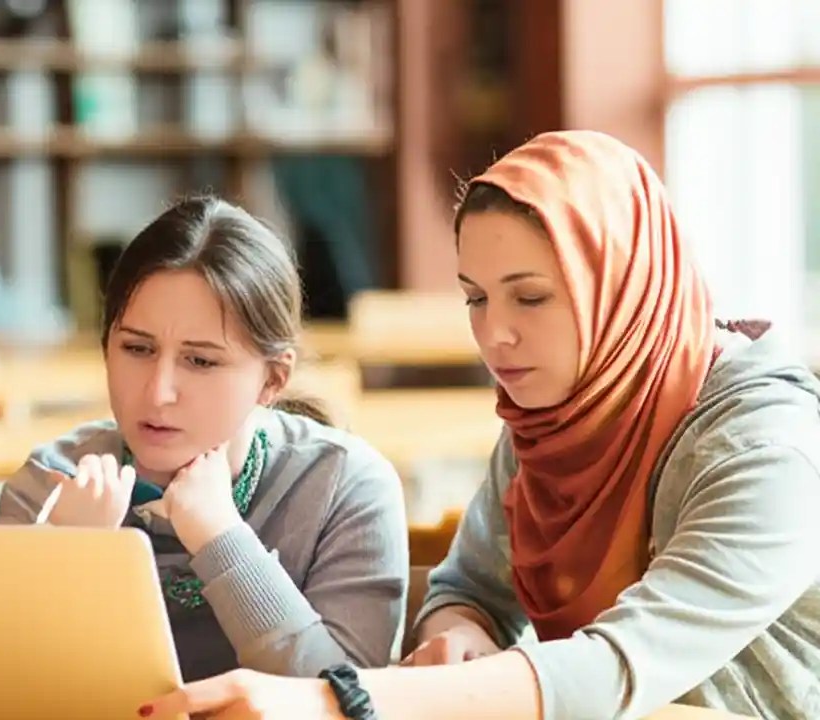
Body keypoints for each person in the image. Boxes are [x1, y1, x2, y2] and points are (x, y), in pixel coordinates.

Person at [140, 131, 820, 720]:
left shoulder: (765, 447)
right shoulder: (557, 412)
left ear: (619, 283)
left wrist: (338, 700)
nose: (495, 336)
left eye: (531, 297)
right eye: (475, 297)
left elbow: (619, 666)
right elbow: (470, 586)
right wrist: (459, 630)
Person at [0, 196, 408, 682]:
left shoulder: (346, 486)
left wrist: (220, 538)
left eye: (201, 360)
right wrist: (68, 563)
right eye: (137, 348)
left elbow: (343, 700)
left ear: (273, 379)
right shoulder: (50, 484)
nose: (158, 391)